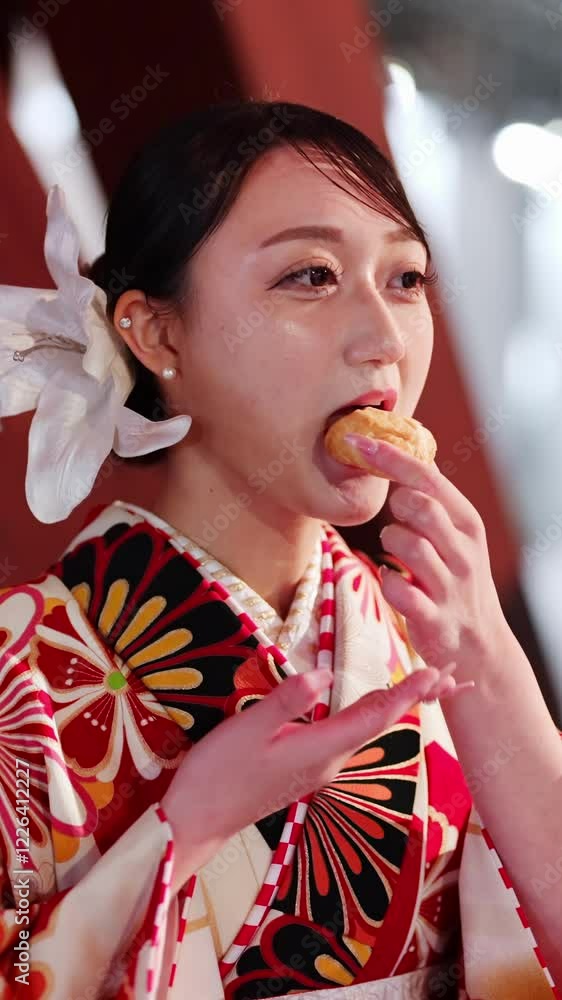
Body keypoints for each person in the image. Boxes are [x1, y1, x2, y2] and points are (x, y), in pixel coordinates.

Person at [0, 99, 560, 1000]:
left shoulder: (435, 645)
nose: (383, 339)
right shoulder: (19, 673)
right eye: (310, 275)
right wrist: (185, 830)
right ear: (157, 332)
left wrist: (492, 664)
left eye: (407, 279)